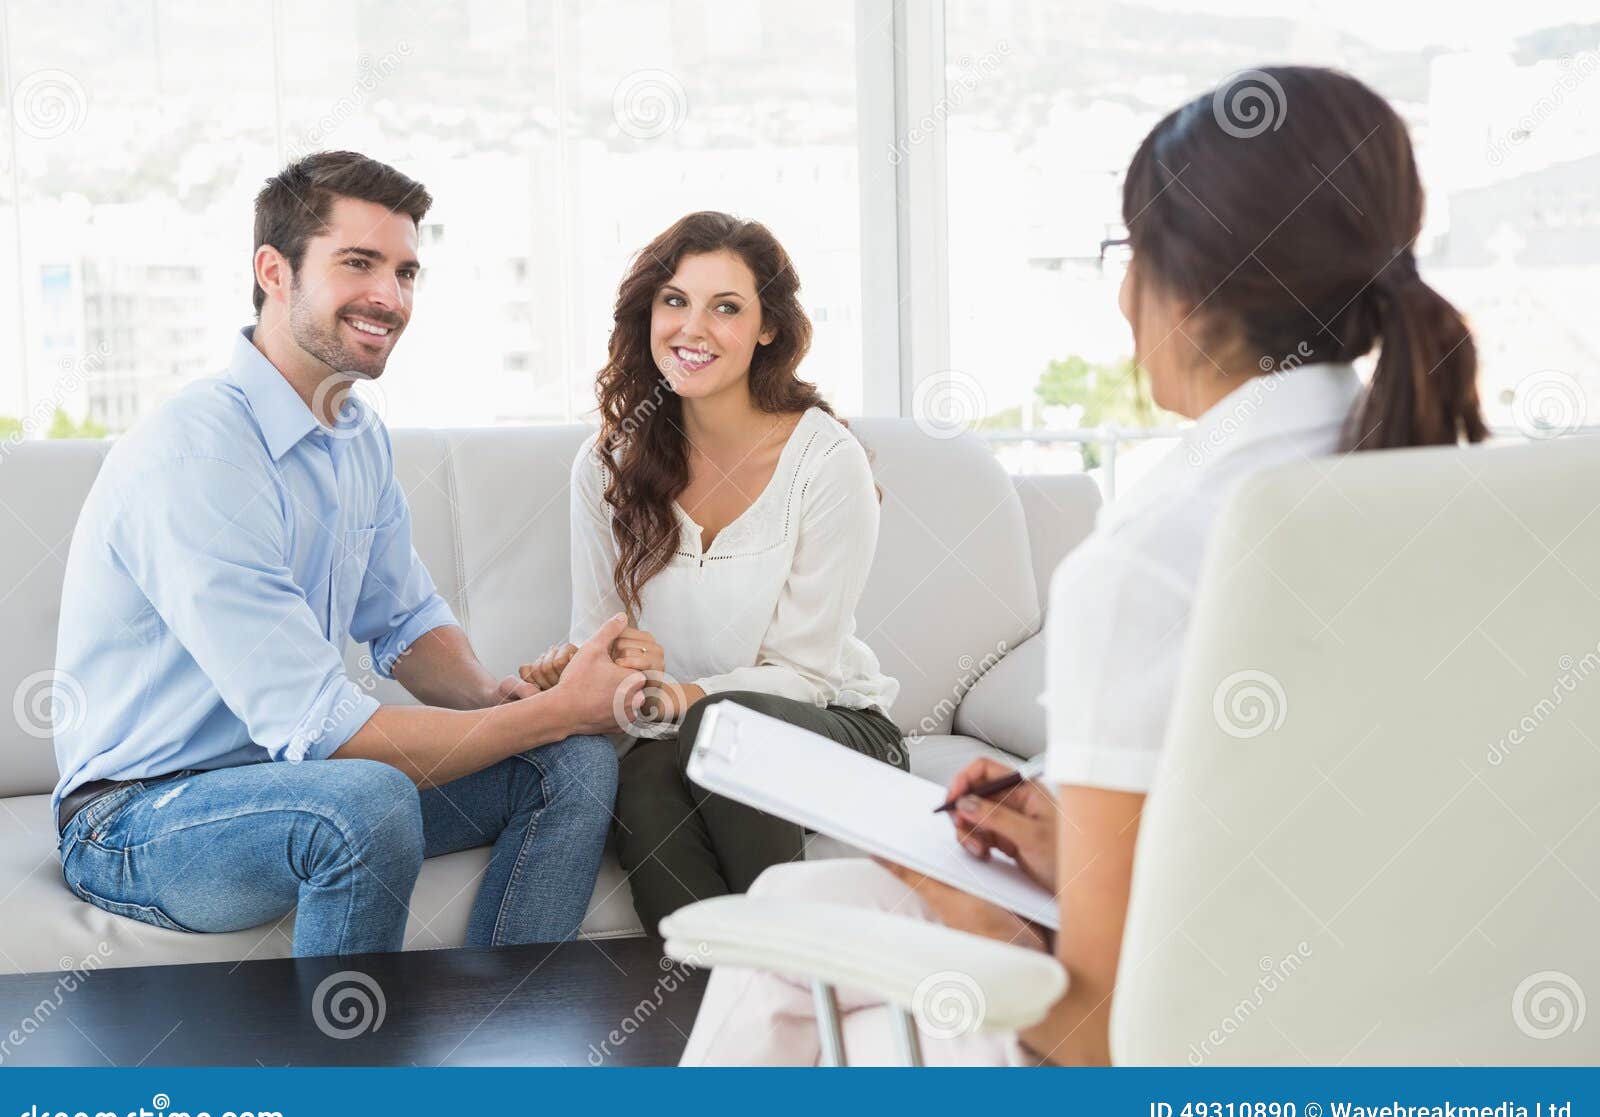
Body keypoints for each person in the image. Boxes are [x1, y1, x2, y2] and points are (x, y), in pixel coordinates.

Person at [676, 65, 1486, 1065]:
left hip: (1221, 1067)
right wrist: (1073, 846)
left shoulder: (1153, 559)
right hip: (1419, 1021)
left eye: (1128, 250)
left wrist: (958, 904)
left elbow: (1106, 1039)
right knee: (799, 895)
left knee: (787, 957)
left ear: (1180, 286)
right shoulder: (1455, 494)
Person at [53, 151, 645, 956]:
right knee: (364, 801)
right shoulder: (198, 455)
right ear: (274, 272)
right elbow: (326, 734)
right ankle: (347, 1048)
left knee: (571, 762)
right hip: (138, 819)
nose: (390, 297)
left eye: (405, 272)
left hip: (290, 786)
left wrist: (495, 697)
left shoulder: (355, 438)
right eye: (359, 264)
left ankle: (499, 1019)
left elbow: (405, 619)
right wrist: (556, 708)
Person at [522, 211, 905, 934]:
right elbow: (601, 639)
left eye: (726, 307)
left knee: (724, 725)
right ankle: (721, 992)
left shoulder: (826, 462)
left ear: (768, 328)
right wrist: (580, 671)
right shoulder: (607, 465)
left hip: (834, 729)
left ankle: (794, 964)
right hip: (675, 736)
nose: (692, 328)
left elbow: (805, 674)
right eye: (675, 301)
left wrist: (677, 697)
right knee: (644, 775)